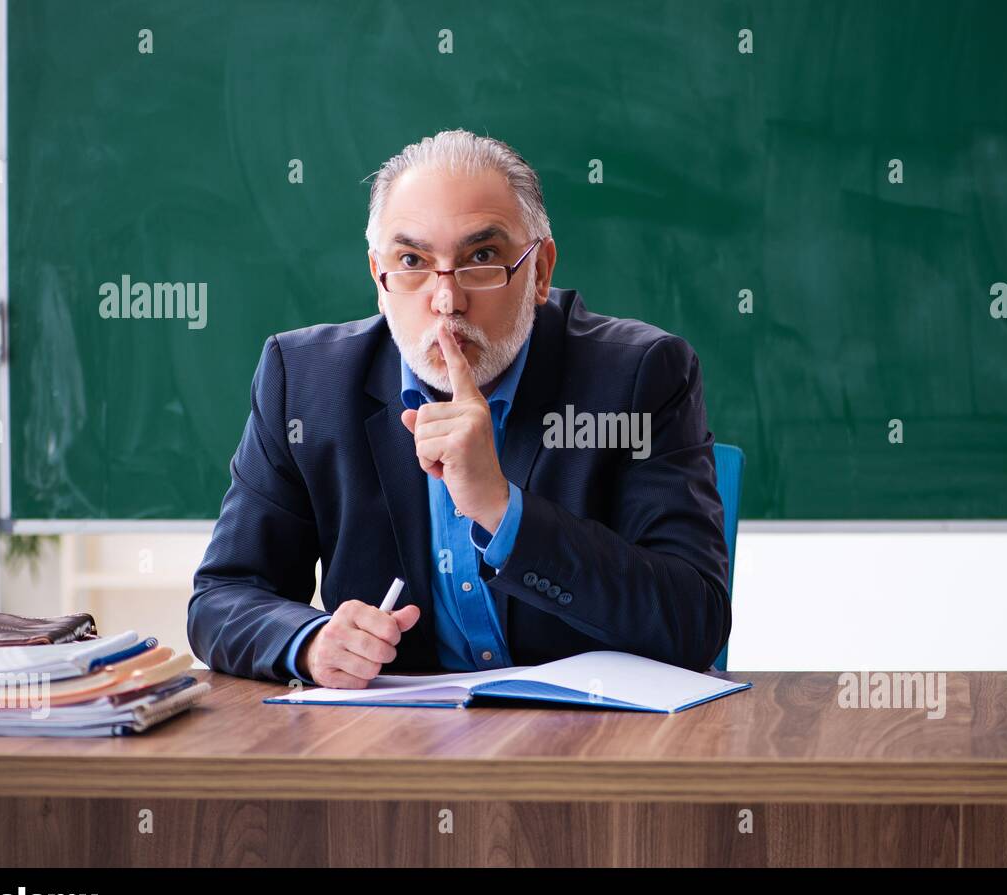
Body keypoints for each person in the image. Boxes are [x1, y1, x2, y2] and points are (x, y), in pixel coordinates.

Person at [187, 129, 730, 688]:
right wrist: (311, 642)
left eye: (483, 257)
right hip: (396, 747)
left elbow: (693, 621)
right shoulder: (300, 380)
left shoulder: (640, 376)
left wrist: (502, 510)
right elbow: (222, 599)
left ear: (540, 271)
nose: (446, 300)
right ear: (379, 278)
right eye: (412, 261)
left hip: (589, 746)